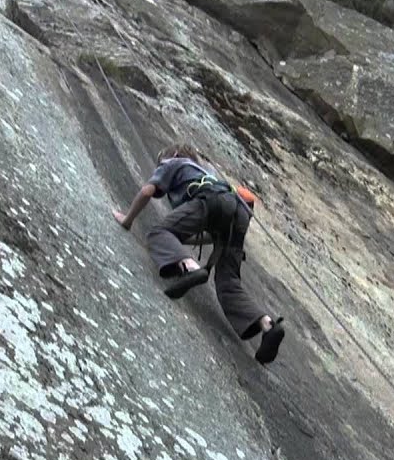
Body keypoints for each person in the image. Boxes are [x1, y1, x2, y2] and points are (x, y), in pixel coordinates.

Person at [113, 143, 286, 364]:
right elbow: (207, 233)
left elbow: (148, 191)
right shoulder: (207, 174)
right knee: (228, 282)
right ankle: (267, 325)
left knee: (158, 232)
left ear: (172, 155)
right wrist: (179, 242)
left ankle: (190, 268)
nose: (158, 170)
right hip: (238, 210)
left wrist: (127, 220)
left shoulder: (173, 162)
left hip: (211, 200)